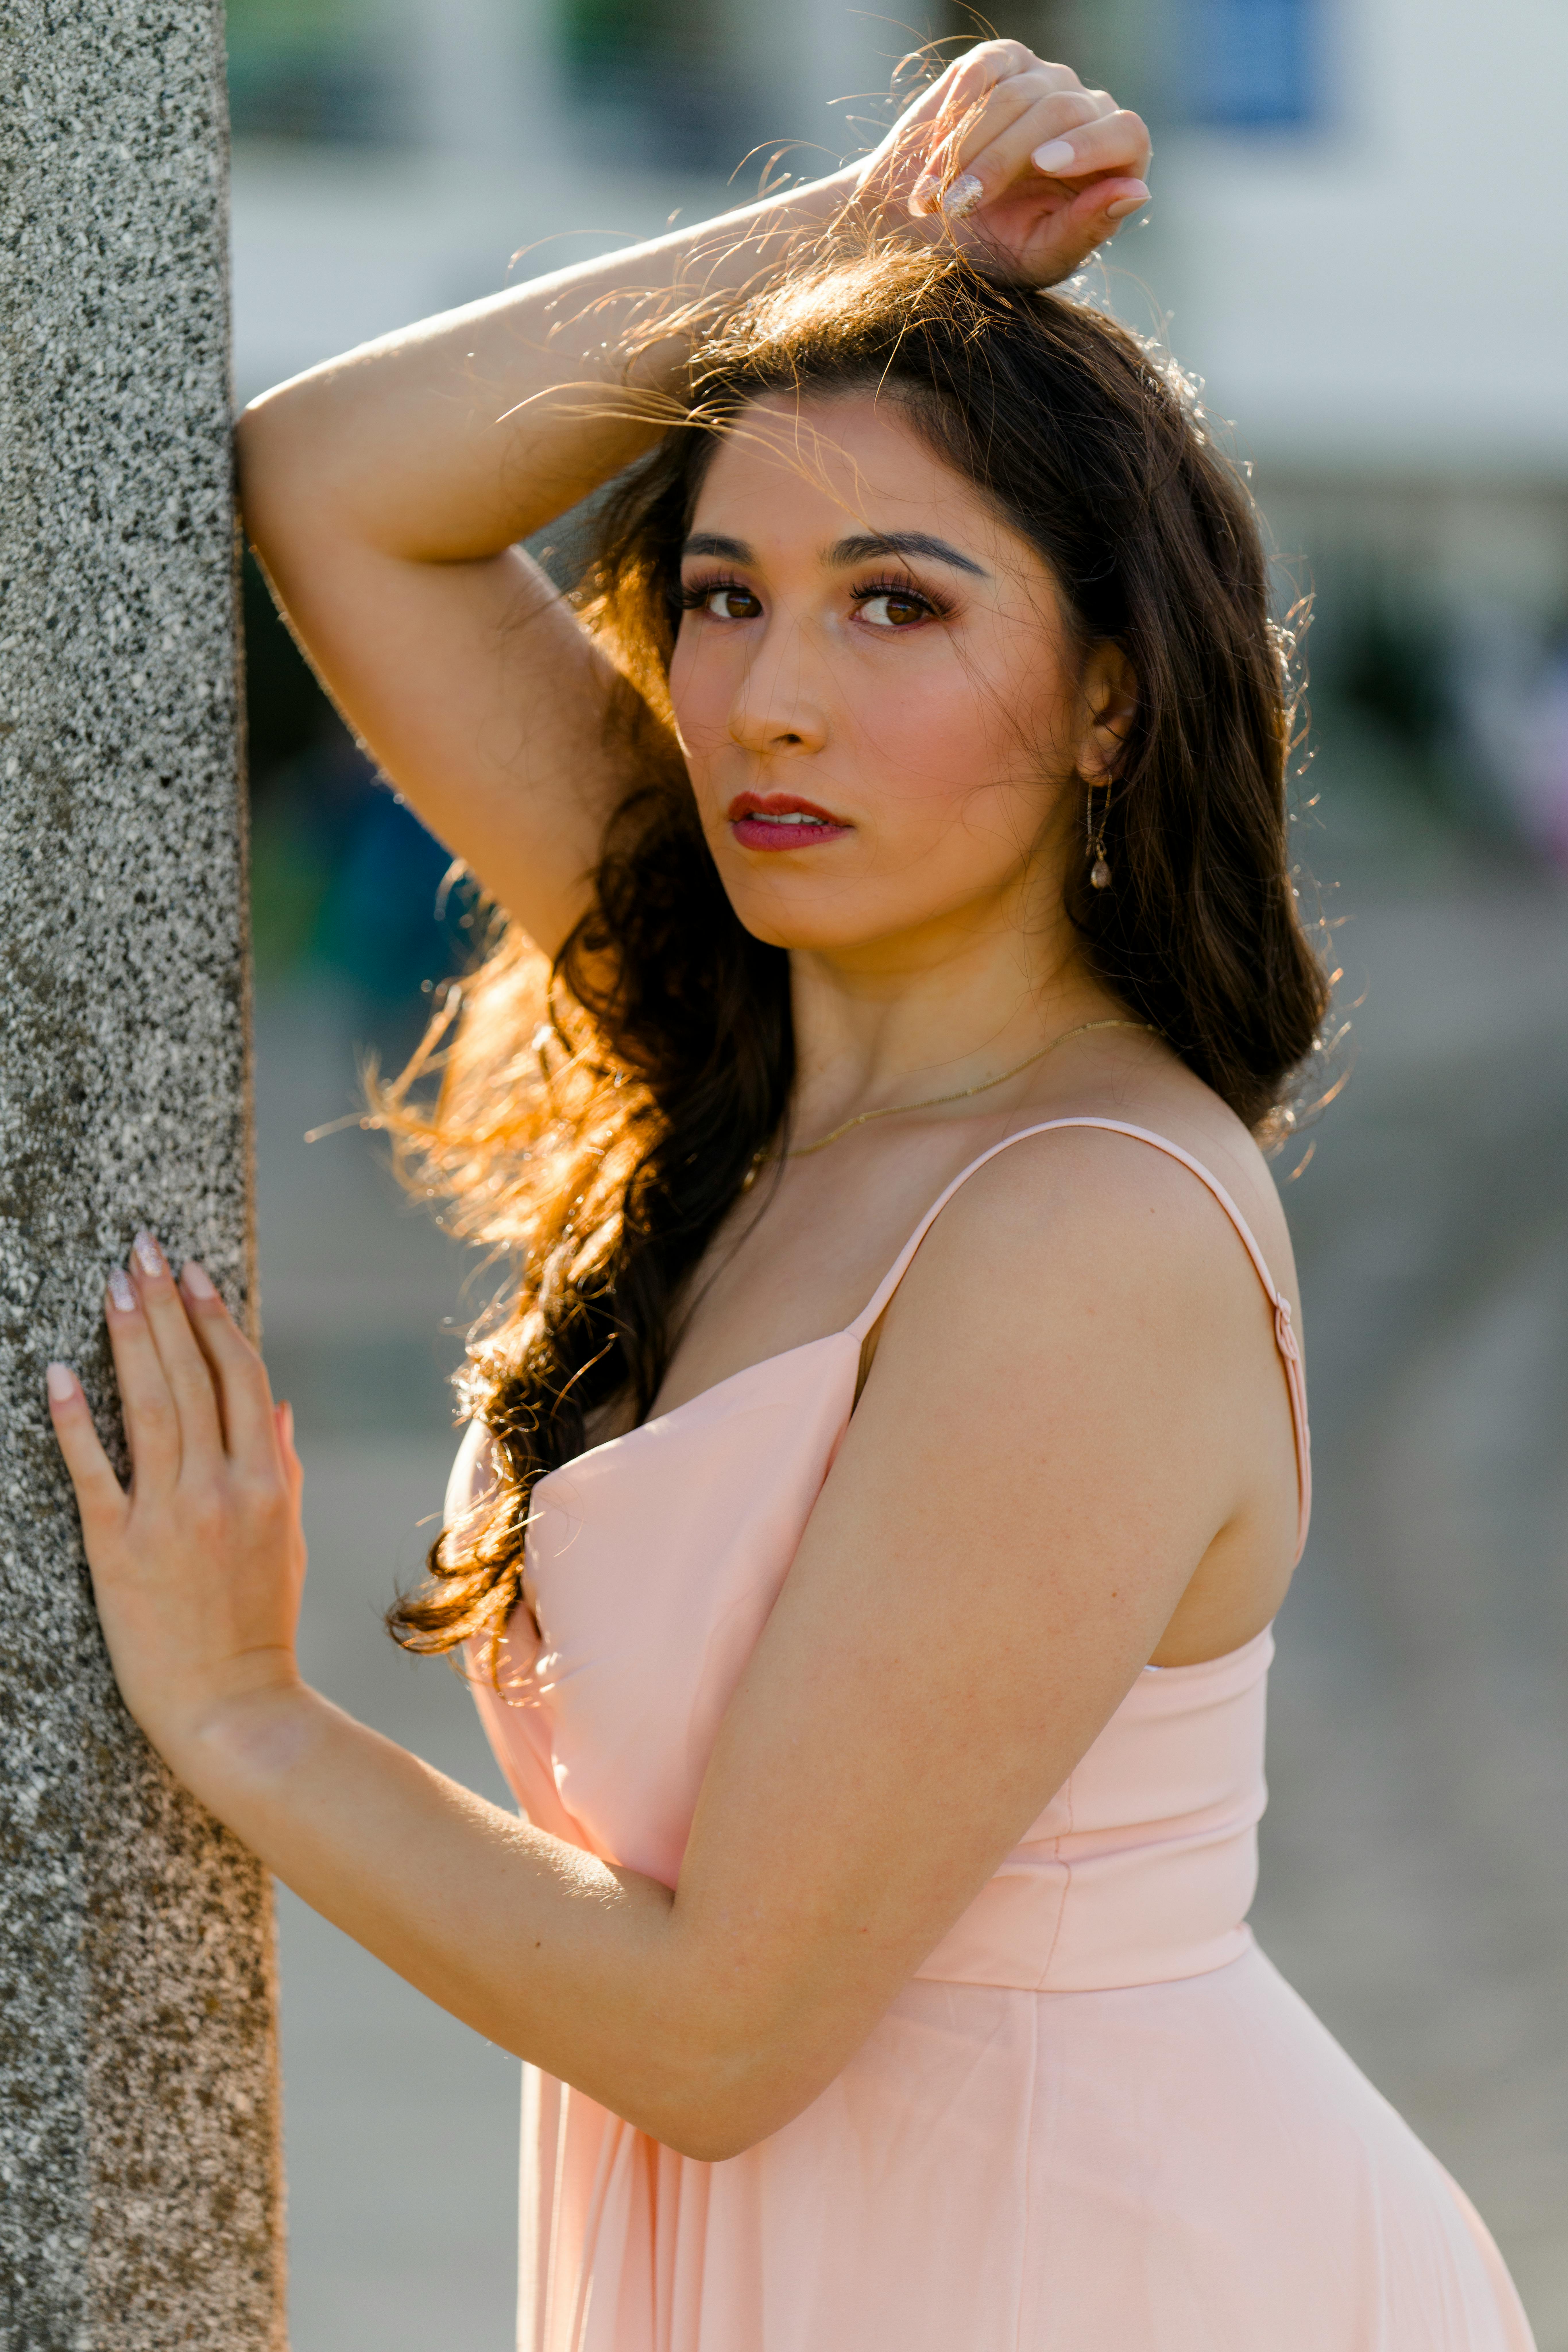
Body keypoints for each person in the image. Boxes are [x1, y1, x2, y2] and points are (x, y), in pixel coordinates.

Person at [47, 41, 1537, 2352]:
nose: (766, 702)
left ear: (1111, 701)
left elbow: (717, 2033)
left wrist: (247, 1721)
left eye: (896, 606)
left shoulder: (1087, 1229)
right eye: (724, 595)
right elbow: (335, 485)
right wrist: (857, 225)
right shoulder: (738, 1051)